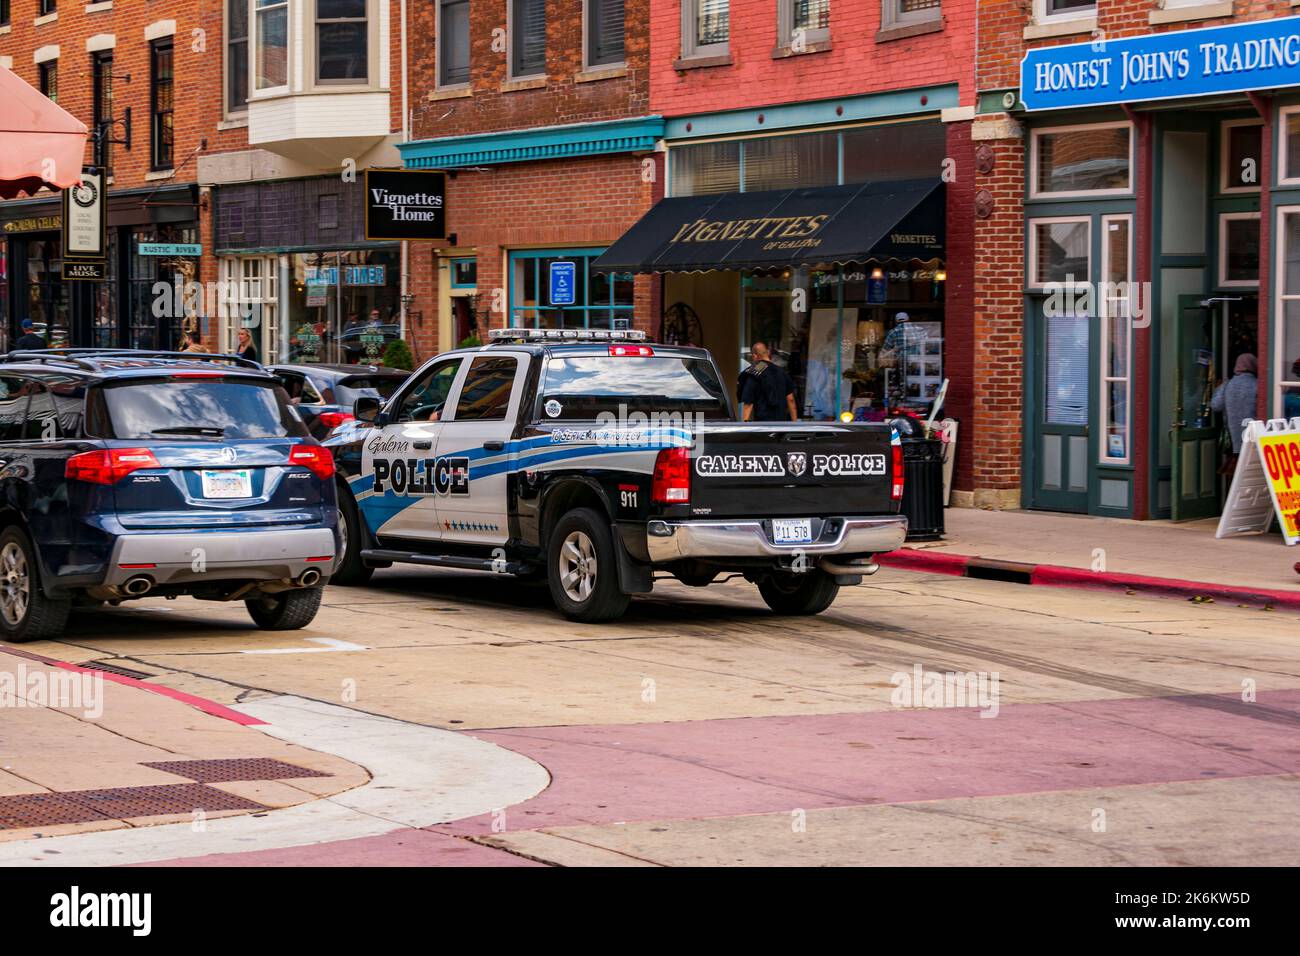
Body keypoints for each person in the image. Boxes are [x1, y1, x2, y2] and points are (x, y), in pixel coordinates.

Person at [1211, 352, 1260, 474]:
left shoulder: (1228, 385)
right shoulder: (1258, 385)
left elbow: (1215, 405)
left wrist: (1219, 387)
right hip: (1253, 437)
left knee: (1235, 474)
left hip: (1233, 441)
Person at [738, 341, 797, 422]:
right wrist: (794, 423)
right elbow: (791, 400)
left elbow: (748, 403)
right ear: (768, 353)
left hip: (763, 426)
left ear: (754, 356)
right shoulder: (782, 372)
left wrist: (744, 426)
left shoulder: (754, 373)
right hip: (782, 425)